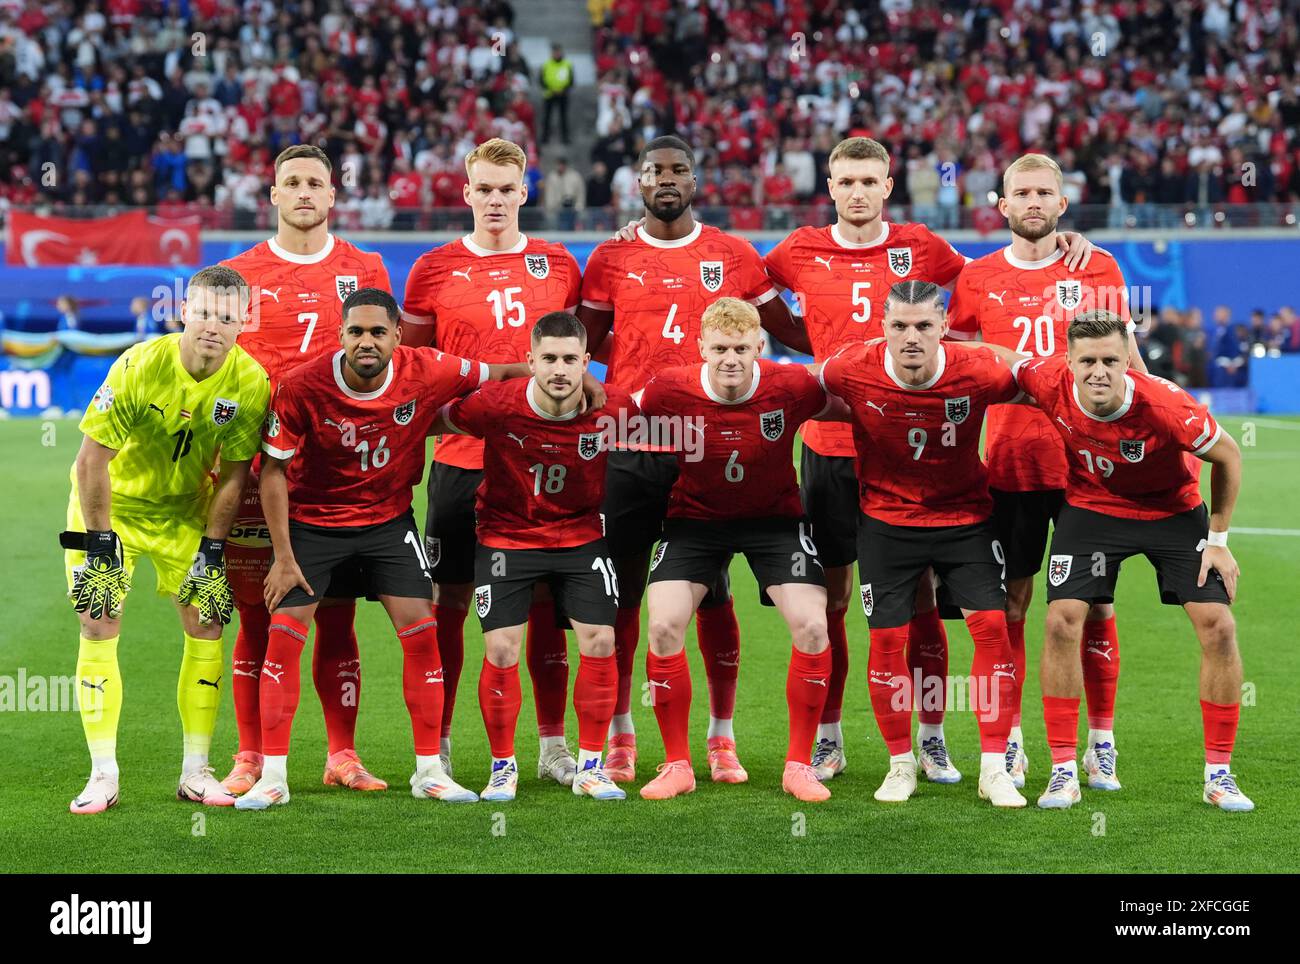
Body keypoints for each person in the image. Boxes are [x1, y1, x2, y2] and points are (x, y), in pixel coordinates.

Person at [763, 137, 1099, 785]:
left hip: (909, 453)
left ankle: (932, 737)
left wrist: (1062, 246)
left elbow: (991, 277)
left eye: (869, 180)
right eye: (845, 180)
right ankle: (829, 737)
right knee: (834, 601)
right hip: (831, 450)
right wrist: (805, 342)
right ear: (829, 187)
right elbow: (750, 289)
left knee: (918, 600)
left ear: (889, 186)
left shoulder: (922, 246)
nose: (857, 191)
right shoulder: (798, 248)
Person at [236, 288, 564, 810]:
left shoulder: (429, 367)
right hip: (313, 524)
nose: (367, 342)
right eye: (356, 332)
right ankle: (273, 777)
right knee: (284, 639)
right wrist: (283, 555)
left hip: (388, 524)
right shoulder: (301, 386)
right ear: (340, 335)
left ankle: (429, 771)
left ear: (396, 335)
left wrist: (569, 383)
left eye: (377, 332)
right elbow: (273, 471)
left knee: (423, 633)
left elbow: (500, 374)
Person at [576, 134, 811, 785]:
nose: (667, 180)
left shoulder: (732, 254)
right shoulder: (611, 255)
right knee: (622, 595)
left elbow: (786, 330)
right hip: (631, 445)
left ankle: (721, 738)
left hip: (709, 448)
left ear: (695, 178)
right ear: (638, 180)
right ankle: (623, 733)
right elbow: (585, 344)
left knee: (712, 593)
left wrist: (863, 340)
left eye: (679, 169)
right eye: (655, 170)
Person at [995, 311, 1251, 812]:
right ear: (1068, 362)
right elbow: (1005, 361)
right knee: (1062, 623)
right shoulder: (1048, 380)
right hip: (1092, 511)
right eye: (1087, 360)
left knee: (1219, 626)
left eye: (1111, 360)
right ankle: (1066, 768)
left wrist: (1217, 538)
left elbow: (1228, 455)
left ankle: (1219, 775)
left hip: (1172, 512)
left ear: (1127, 361)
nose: (1098, 372)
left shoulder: (1166, 404)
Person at [947, 152, 1147, 792]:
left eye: (1044, 193)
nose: (1032, 202)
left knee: (1093, 605)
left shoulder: (1100, 267)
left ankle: (1100, 743)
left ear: (1063, 204)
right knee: (1011, 603)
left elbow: (1129, 365)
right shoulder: (977, 278)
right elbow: (955, 362)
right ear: (1001, 205)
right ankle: (1009, 743)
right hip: (1010, 465)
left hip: (1088, 469)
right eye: (1020, 193)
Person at [400, 138, 585, 784]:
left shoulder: (560, 265)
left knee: (543, 598)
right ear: (467, 192)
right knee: (447, 601)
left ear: (524, 191)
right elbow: (414, 368)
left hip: (540, 464)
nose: (497, 200)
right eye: (486, 189)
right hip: (461, 459)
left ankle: (553, 748)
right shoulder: (432, 269)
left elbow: (573, 357)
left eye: (508, 189)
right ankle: (441, 746)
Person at [64, 265, 270, 814]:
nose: (213, 325)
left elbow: (233, 476)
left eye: (226, 316)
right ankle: (103, 774)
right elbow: (90, 462)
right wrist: (102, 545)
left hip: (184, 513)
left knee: (207, 621)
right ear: (185, 311)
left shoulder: (251, 383)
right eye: (203, 312)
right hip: (112, 507)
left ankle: (196, 772)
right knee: (98, 619)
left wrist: (213, 549)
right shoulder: (140, 365)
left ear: (243, 322)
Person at [220, 143, 392, 797]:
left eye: (314, 183)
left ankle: (342, 755)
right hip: (261, 475)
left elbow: (386, 360)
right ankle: (248, 756)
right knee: (257, 617)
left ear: (331, 195)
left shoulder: (364, 266)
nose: (303, 193)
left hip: (341, 475)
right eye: (290, 182)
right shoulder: (237, 274)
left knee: (338, 618)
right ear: (272, 195)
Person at [818, 280, 1026, 809]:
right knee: (887, 643)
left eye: (924, 326)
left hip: (966, 520)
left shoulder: (978, 371)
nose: (912, 337)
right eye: (900, 326)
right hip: (886, 524)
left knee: (993, 632)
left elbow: (1041, 381)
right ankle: (899, 765)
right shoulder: (850, 368)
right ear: (883, 327)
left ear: (943, 329)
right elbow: (787, 390)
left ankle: (993, 768)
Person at [636, 298, 841, 803]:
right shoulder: (667, 390)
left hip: (774, 522)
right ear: (701, 347)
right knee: (662, 626)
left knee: (815, 626)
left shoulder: (792, 386)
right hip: (693, 522)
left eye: (742, 349)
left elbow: (852, 407)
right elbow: (616, 419)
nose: (731, 359)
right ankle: (678, 763)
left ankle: (799, 766)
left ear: (760, 348)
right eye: (721, 348)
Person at [431, 312, 636, 801]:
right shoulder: (496, 404)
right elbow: (428, 419)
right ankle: (503, 767)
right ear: (530, 361)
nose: (559, 370)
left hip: (581, 537)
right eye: (549, 359)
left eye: (570, 359)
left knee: (601, 641)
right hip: (507, 538)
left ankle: (590, 765)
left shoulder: (613, 408)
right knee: (501, 648)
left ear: (588, 363)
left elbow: (684, 423)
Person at [540, 43, 573, 144]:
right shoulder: (546, 64)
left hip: (563, 95)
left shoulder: (567, 64)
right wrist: (552, 89)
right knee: (547, 117)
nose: (557, 54)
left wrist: (563, 89)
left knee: (563, 117)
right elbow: (541, 80)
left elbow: (571, 80)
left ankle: (565, 138)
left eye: (558, 51)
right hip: (549, 94)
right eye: (555, 52)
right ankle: (545, 137)